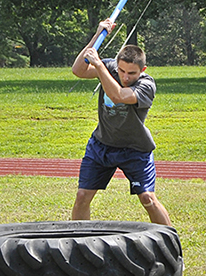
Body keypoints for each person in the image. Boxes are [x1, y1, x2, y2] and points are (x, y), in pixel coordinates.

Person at [71, 21, 172, 226]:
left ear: (142, 70)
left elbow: (118, 96)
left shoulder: (147, 85)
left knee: (148, 199)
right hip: (102, 145)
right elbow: (79, 70)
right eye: (122, 70)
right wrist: (98, 34)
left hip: (134, 149)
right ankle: (79, 243)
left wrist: (99, 65)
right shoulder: (109, 67)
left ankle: (170, 246)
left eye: (132, 73)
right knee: (82, 196)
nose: (125, 77)